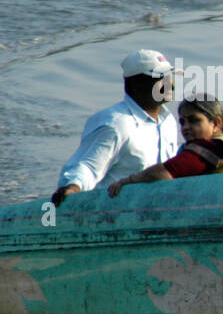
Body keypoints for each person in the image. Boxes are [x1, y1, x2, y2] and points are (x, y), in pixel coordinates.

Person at [50, 49, 180, 205]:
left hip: (154, 210)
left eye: (169, 76)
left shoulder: (168, 121)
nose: (170, 84)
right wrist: (73, 187)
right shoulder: (116, 123)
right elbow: (88, 166)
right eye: (161, 78)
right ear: (136, 84)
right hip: (113, 213)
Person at [107, 96, 223, 196]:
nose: (185, 127)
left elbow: (164, 173)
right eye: (182, 122)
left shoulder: (216, 146)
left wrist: (128, 181)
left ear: (216, 123)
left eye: (193, 120)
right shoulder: (201, 145)